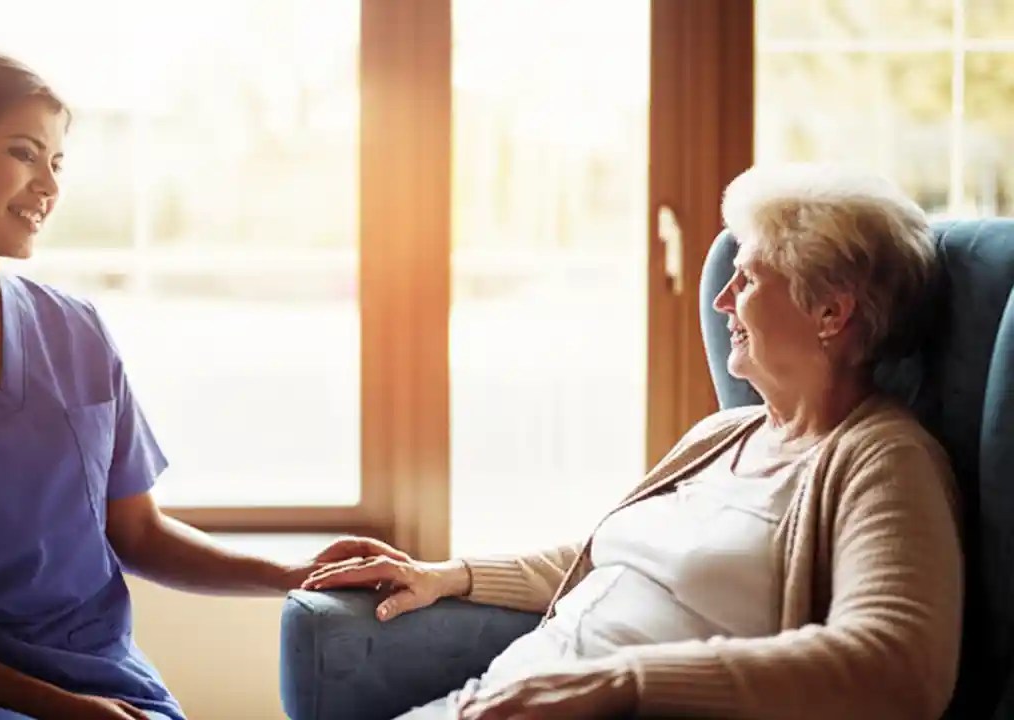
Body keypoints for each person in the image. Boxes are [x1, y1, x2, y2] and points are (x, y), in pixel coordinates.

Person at [0, 46, 398, 720]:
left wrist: (291, 576)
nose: (48, 184)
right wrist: (60, 709)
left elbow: (137, 532)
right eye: (23, 152)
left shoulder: (78, 331)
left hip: (106, 684)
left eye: (57, 162)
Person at [304, 163, 964, 720]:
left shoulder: (883, 460)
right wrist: (450, 575)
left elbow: (898, 666)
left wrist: (620, 681)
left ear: (832, 312)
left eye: (750, 277)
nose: (722, 300)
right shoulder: (724, 434)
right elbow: (613, 560)